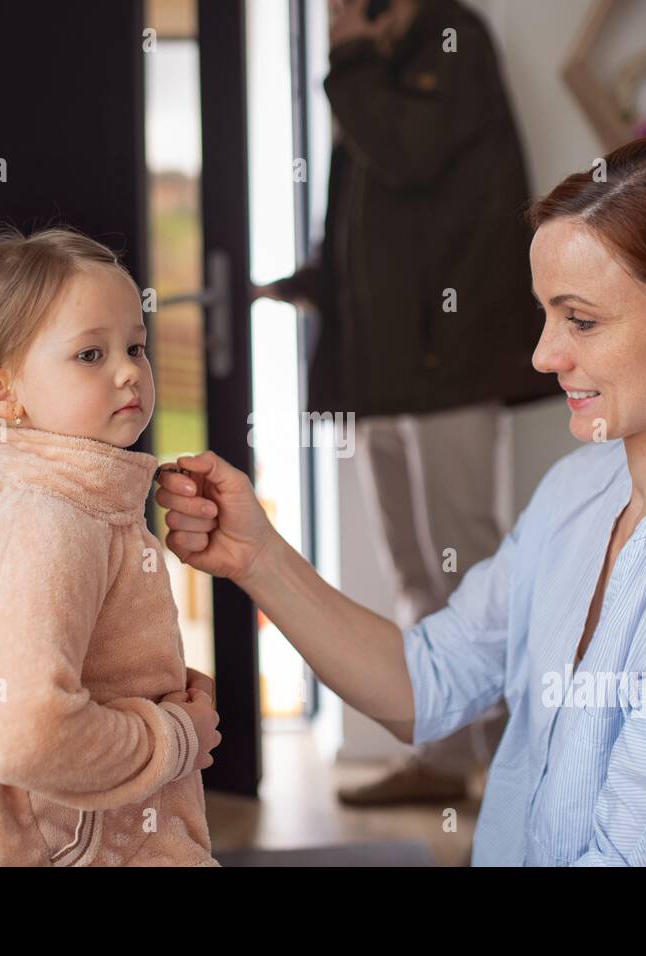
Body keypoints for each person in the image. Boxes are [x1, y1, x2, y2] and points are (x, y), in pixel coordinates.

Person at [159, 133, 646, 865]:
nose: (543, 355)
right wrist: (259, 557)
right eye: (547, 313)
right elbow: (426, 684)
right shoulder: (584, 486)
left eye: (582, 320)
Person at [256, 0, 561, 803]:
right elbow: (379, 215)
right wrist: (311, 283)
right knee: (416, 573)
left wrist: (348, 56)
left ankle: (518, 781)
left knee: (474, 576)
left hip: (447, 361)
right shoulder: (378, 66)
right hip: (382, 371)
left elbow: (408, 153)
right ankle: (446, 760)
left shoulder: (450, 36)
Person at [0, 226, 221, 866]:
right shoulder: (55, 519)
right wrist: (174, 738)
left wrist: (172, 691)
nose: (130, 372)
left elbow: (84, 665)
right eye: (90, 355)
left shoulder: (37, 498)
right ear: (2, 392)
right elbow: (28, 735)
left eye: (136, 347)